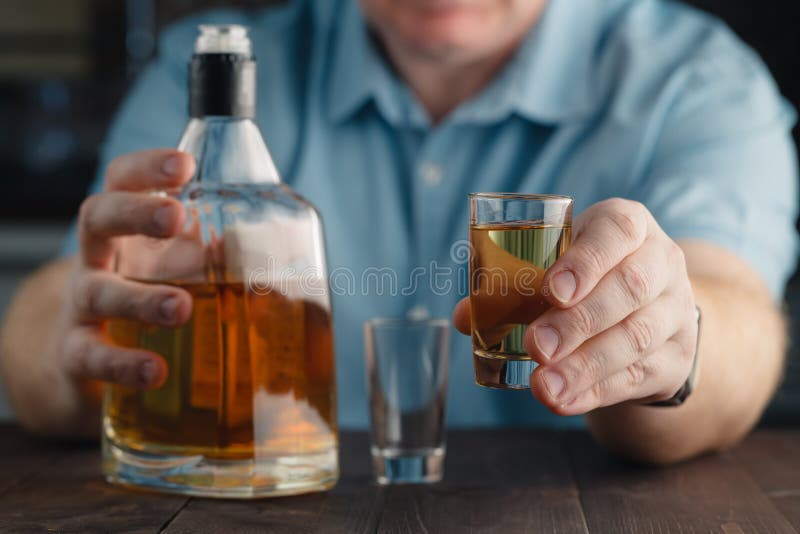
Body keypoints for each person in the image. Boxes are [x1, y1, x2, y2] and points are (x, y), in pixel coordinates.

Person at [0, 0, 796, 464]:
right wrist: (73, 336)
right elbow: (60, 310)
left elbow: (734, 320)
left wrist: (670, 340)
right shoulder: (216, 68)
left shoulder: (695, 82)